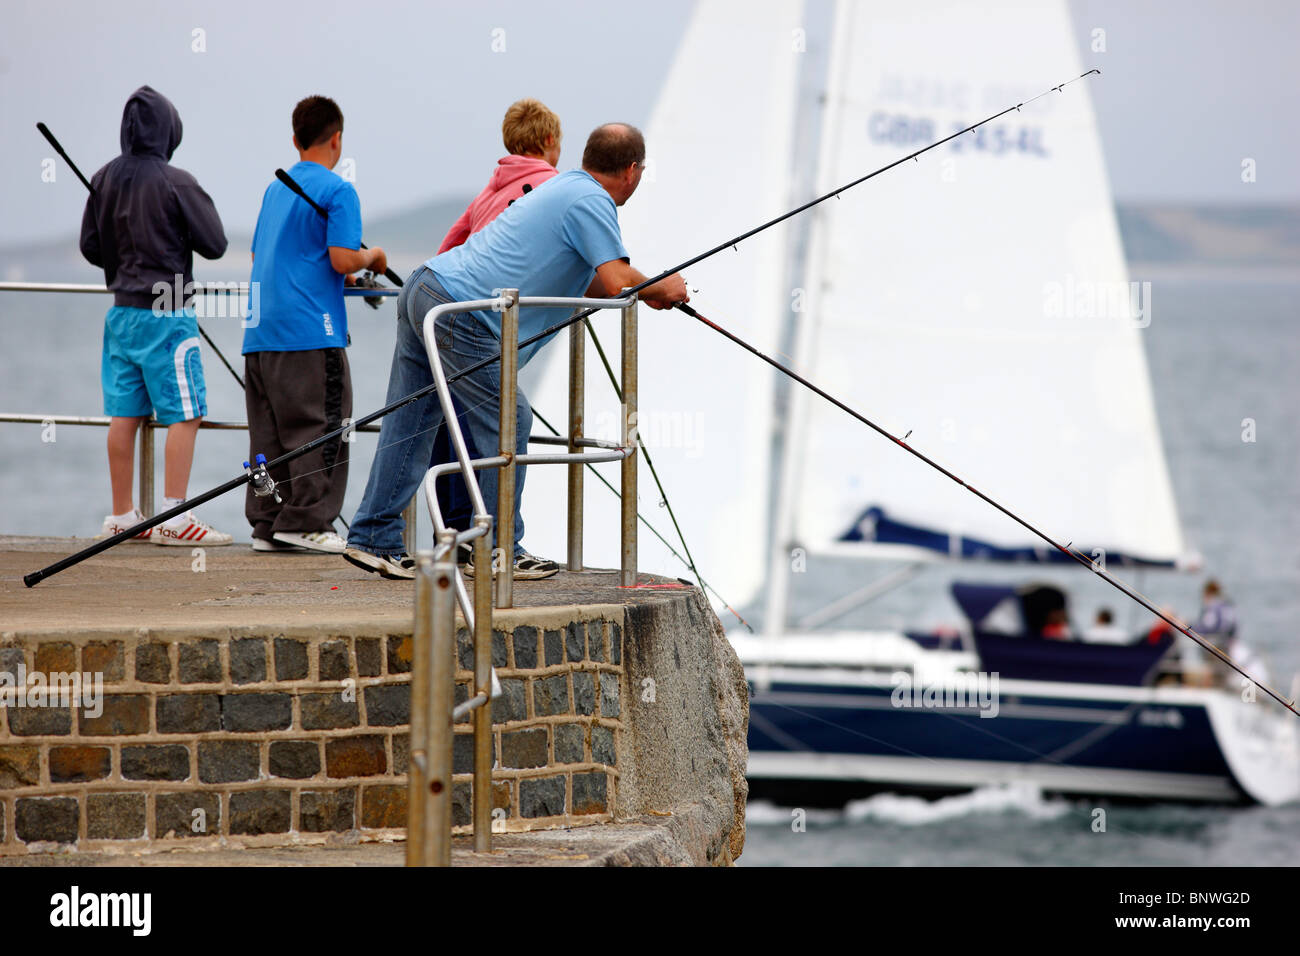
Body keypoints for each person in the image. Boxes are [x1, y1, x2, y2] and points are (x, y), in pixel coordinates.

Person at [343, 122, 688, 580]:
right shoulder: (593, 200)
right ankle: (500, 548)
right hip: (461, 309)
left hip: (427, 286)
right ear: (631, 170)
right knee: (511, 418)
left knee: (414, 418)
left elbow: (592, 283)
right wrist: (664, 285)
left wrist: (643, 291)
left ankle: (372, 536)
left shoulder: (565, 186)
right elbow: (616, 279)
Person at [80, 85, 232, 546]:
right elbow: (215, 243)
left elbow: (90, 247)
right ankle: (174, 515)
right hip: (167, 310)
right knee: (186, 413)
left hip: (121, 312)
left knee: (124, 413)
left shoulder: (103, 178)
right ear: (169, 131)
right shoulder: (176, 180)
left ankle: (122, 514)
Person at [243, 95, 386, 553]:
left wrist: (338, 271)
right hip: (311, 331)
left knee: (268, 436)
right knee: (323, 427)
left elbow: (265, 255)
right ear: (337, 138)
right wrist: (374, 258)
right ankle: (307, 521)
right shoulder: (338, 190)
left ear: (295, 138)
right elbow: (344, 257)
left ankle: (268, 523)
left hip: (260, 332)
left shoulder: (275, 188)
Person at [432, 99, 564, 534]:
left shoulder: (487, 192)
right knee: (503, 419)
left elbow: (447, 253)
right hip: (491, 327)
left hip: (453, 315)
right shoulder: (553, 190)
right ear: (548, 140)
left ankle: (454, 531)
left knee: (456, 422)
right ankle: (495, 538)